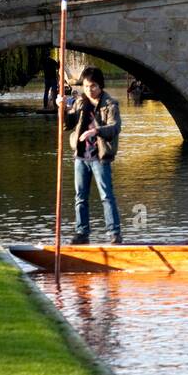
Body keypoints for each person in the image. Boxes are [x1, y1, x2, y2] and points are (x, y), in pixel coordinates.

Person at [58, 66, 122, 244]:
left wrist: (95, 131)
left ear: (100, 85)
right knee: (80, 197)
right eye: (86, 86)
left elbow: (114, 128)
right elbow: (67, 125)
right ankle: (81, 234)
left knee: (106, 196)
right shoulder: (80, 102)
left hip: (100, 158)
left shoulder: (110, 104)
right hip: (81, 156)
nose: (89, 90)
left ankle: (114, 233)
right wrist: (62, 108)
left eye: (93, 86)